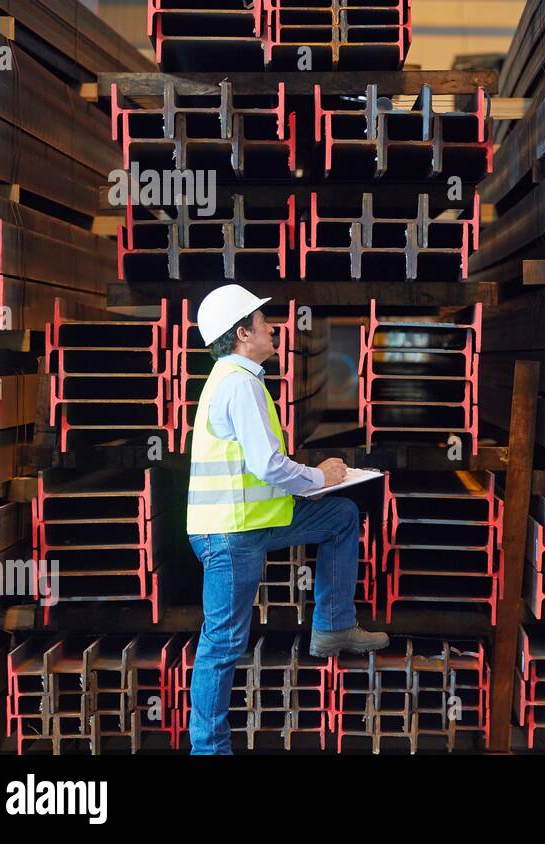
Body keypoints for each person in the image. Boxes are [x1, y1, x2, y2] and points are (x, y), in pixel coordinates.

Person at [185, 284, 388, 755]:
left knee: (340, 514)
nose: (272, 328)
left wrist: (324, 486)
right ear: (242, 334)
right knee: (222, 643)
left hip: (252, 523)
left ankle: (334, 626)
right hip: (230, 535)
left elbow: (261, 467)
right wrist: (319, 475)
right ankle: (208, 749)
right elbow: (268, 465)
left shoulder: (236, 378)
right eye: (262, 322)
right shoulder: (239, 384)